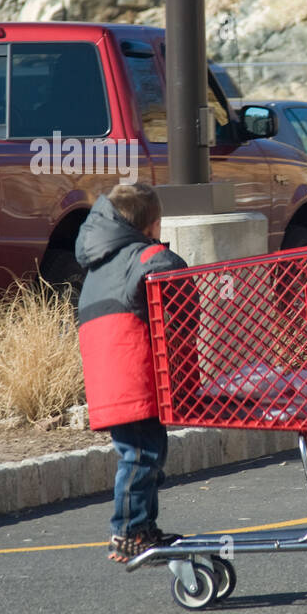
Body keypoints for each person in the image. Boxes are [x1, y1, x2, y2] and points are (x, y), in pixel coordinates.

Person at [74, 183, 188, 562]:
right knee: (140, 456)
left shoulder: (101, 263)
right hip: (133, 376)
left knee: (147, 453)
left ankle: (142, 527)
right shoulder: (144, 256)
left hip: (110, 377)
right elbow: (168, 269)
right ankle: (126, 531)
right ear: (152, 225)